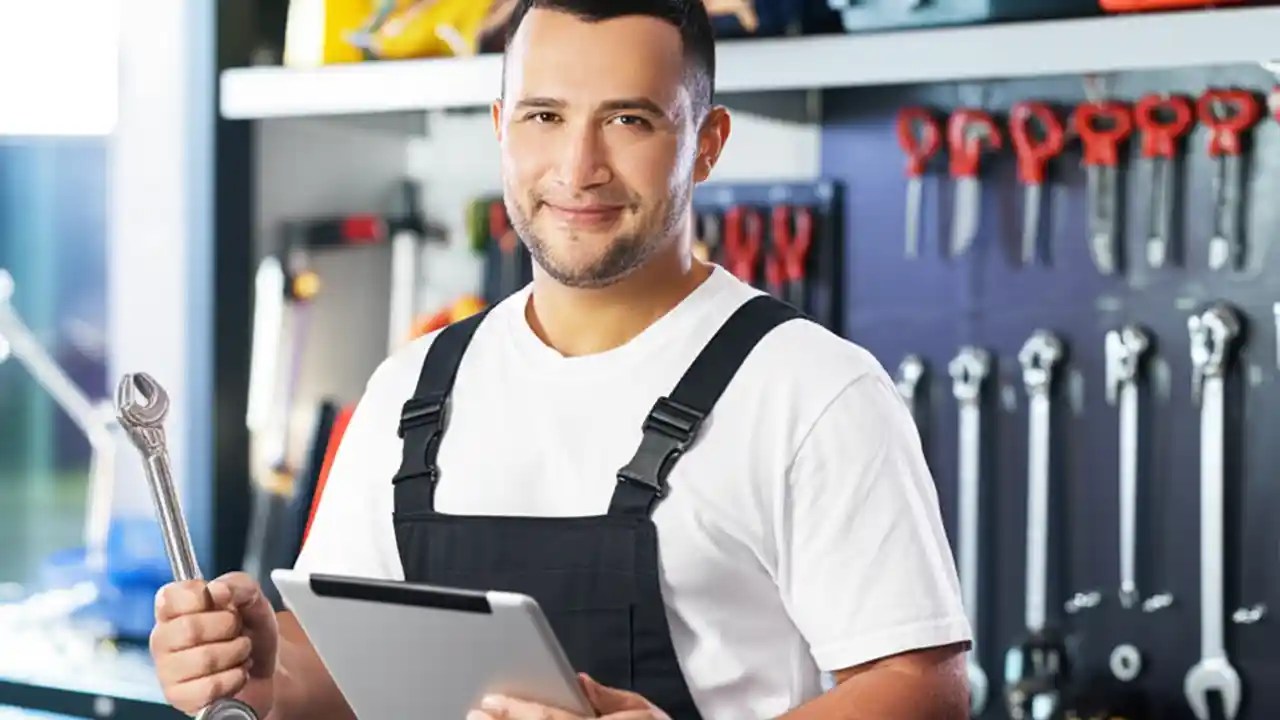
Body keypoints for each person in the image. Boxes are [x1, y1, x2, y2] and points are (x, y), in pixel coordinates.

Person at [149, 1, 973, 718]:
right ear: (500, 126)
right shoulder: (413, 387)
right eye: (546, 116)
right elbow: (341, 666)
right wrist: (263, 675)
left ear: (709, 142)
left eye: (629, 120)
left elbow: (923, 689)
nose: (578, 169)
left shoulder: (812, 391)